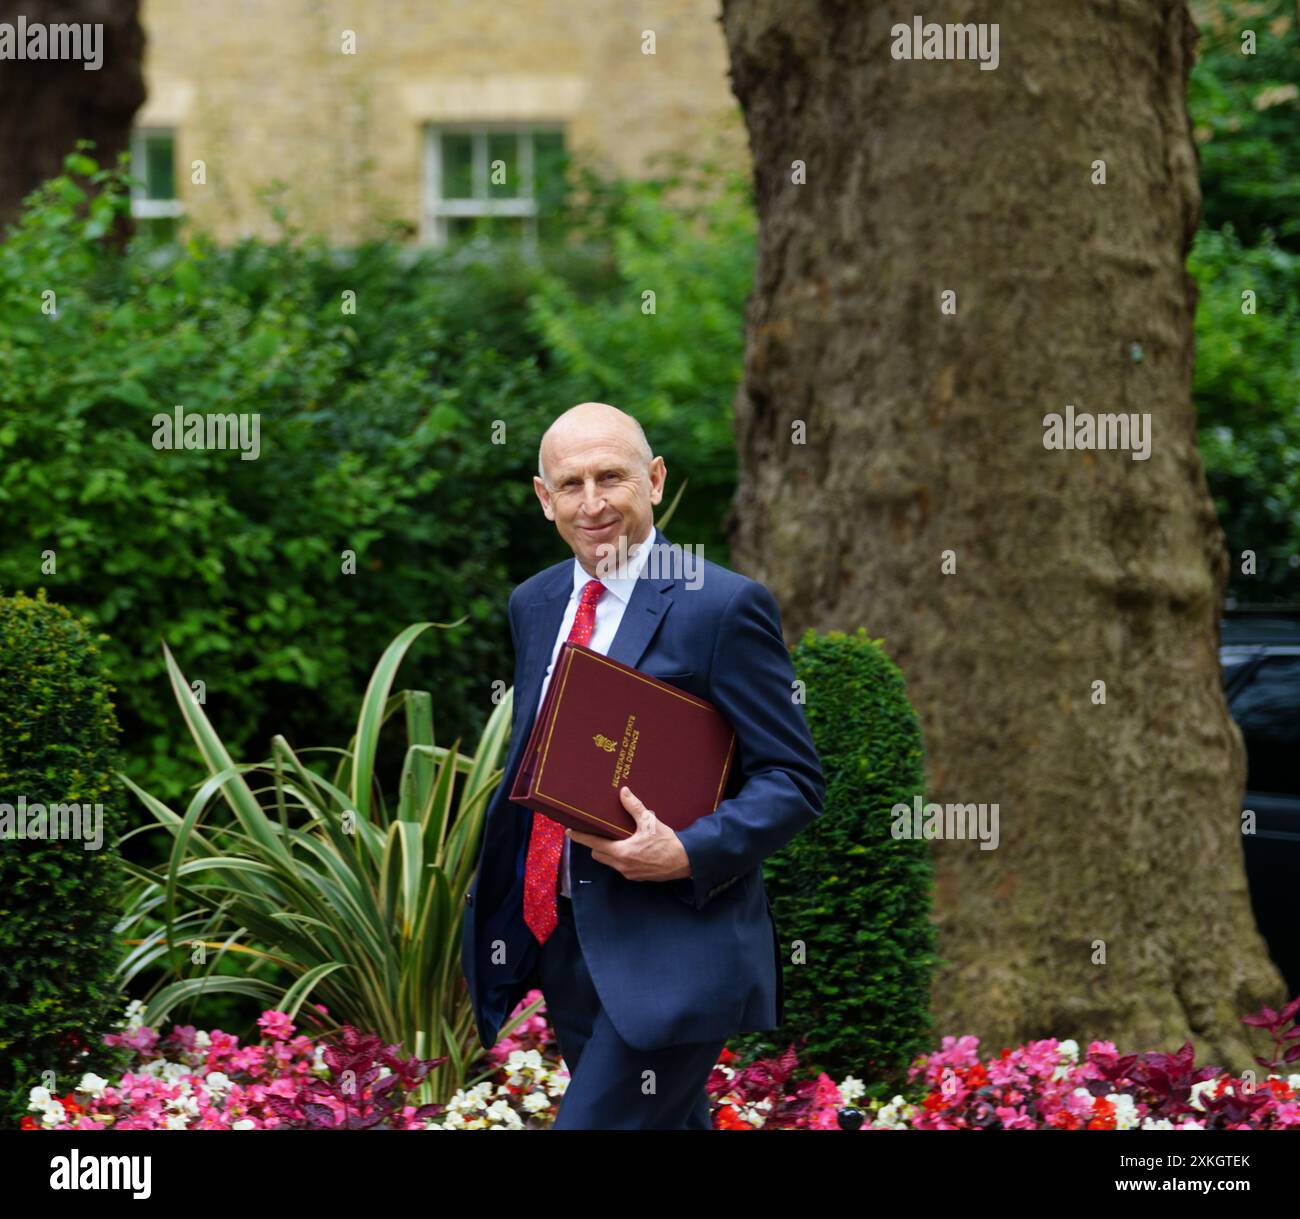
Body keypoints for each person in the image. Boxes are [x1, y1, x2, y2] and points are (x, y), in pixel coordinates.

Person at [460, 401, 825, 1129]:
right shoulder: (534, 603)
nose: (592, 503)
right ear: (544, 498)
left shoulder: (720, 606)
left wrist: (687, 850)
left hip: (674, 953)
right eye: (570, 484)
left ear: (654, 479)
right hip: (564, 939)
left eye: (611, 477)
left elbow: (793, 778)